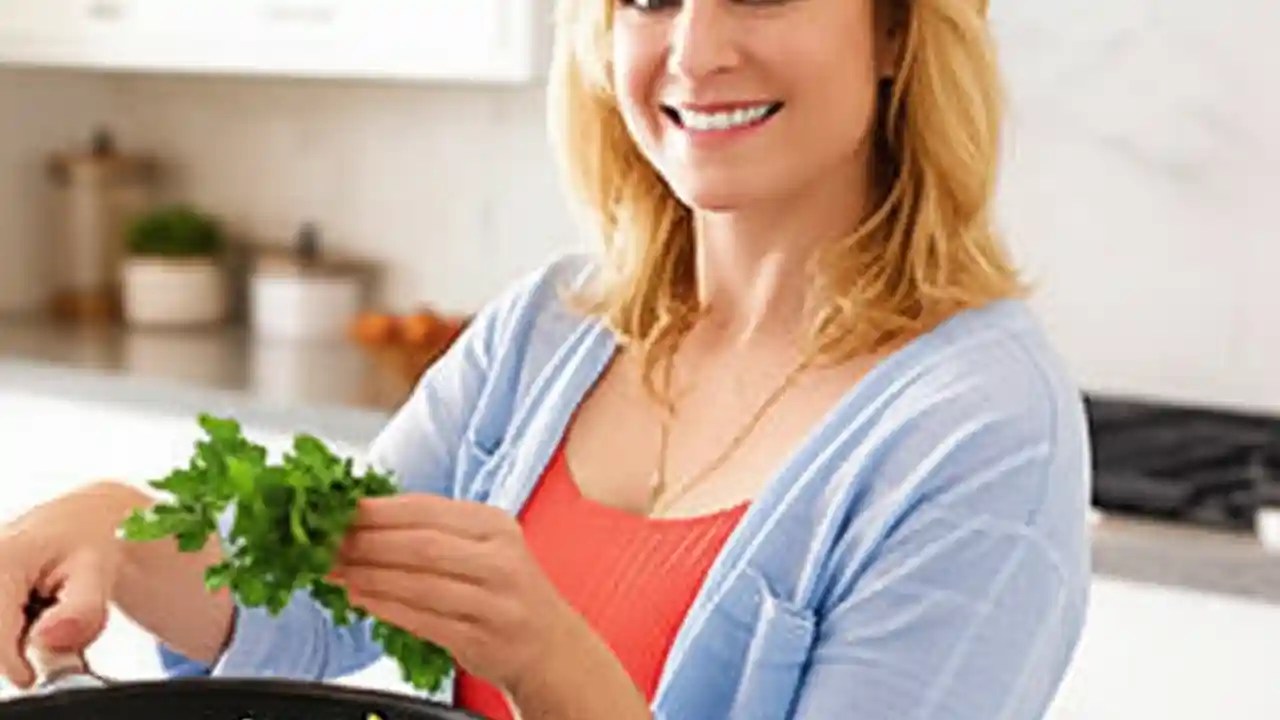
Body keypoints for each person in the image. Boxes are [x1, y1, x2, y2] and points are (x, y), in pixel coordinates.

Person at [0, 0, 1092, 718]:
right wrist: (119, 530)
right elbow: (317, 602)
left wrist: (550, 663)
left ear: (896, 30)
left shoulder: (980, 430)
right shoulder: (550, 330)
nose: (695, 52)